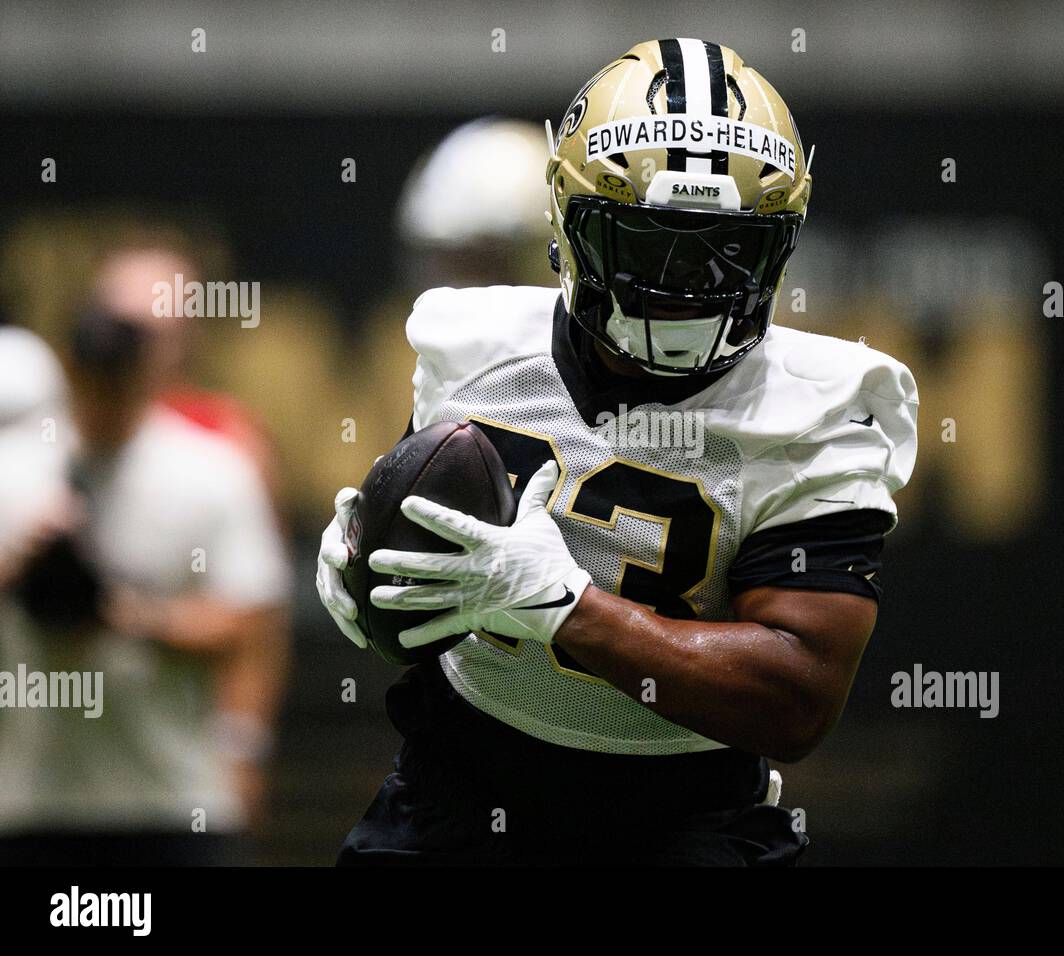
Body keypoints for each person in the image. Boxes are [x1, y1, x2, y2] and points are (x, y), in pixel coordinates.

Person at [317, 38, 919, 866]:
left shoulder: (820, 409)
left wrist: (570, 610)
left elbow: (796, 699)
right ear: (568, 221)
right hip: (453, 793)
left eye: (727, 248)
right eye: (648, 242)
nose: (688, 286)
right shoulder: (476, 342)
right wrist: (370, 552)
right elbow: (440, 512)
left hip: (679, 823)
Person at [0, 246, 291, 865]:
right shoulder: (17, 466)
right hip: (34, 800)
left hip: (172, 800)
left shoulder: (218, 456)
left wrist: (123, 612)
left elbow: (253, 625)